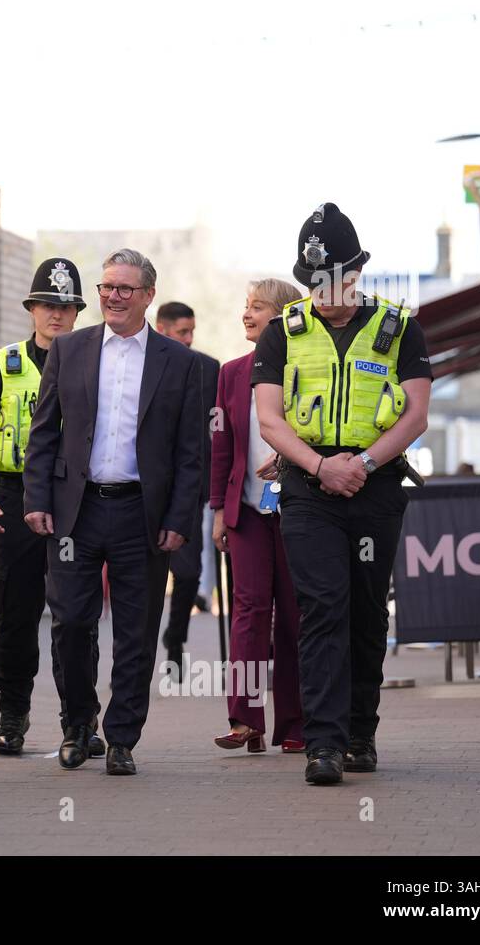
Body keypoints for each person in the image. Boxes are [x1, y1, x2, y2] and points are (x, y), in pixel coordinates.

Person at [253, 202, 432, 785]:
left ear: (357, 272)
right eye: (314, 283)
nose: (325, 293)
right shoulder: (283, 331)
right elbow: (270, 420)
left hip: (376, 488)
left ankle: (360, 732)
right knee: (322, 607)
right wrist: (320, 467)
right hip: (307, 490)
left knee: (365, 610)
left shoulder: (399, 328)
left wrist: (363, 462)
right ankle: (322, 745)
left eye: (336, 280)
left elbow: (417, 415)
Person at [24, 249, 202, 775]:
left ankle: (122, 736)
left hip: (140, 515)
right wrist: (35, 498)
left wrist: (179, 519)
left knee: (136, 630)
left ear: (148, 295)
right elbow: (44, 430)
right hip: (75, 511)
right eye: (106, 287)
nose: (113, 297)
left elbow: (191, 453)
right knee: (71, 623)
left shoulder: (181, 363)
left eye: (125, 289)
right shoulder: (70, 349)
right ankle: (78, 725)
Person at [0, 258, 101, 757]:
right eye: (48, 304)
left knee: (75, 615)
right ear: (31, 308)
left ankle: (80, 720)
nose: (57, 315)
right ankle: (13, 713)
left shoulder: (95, 361)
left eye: (67, 306)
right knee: (16, 612)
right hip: (12, 494)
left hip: (75, 500)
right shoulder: (5, 365)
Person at [209, 279, 305, 753]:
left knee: (294, 616)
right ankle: (245, 718)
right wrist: (218, 512)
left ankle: (294, 724)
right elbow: (221, 445)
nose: (246, 315)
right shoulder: (230, 373)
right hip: (246, 511)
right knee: (249, 612)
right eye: (245, 306)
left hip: (300, 512)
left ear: (285, 315)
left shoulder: (307, 367)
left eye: (258, 308)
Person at [153, 301, 219, 678]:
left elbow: (217, 432)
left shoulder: (208, 368)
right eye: (182, 332)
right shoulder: (141, 366)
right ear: (162, 329)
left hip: (189, 491)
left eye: (192, 331)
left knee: (190, 573)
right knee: (145, 580)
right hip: (143, 491)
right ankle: (135, 661)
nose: (190, 339)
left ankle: (175, 637)